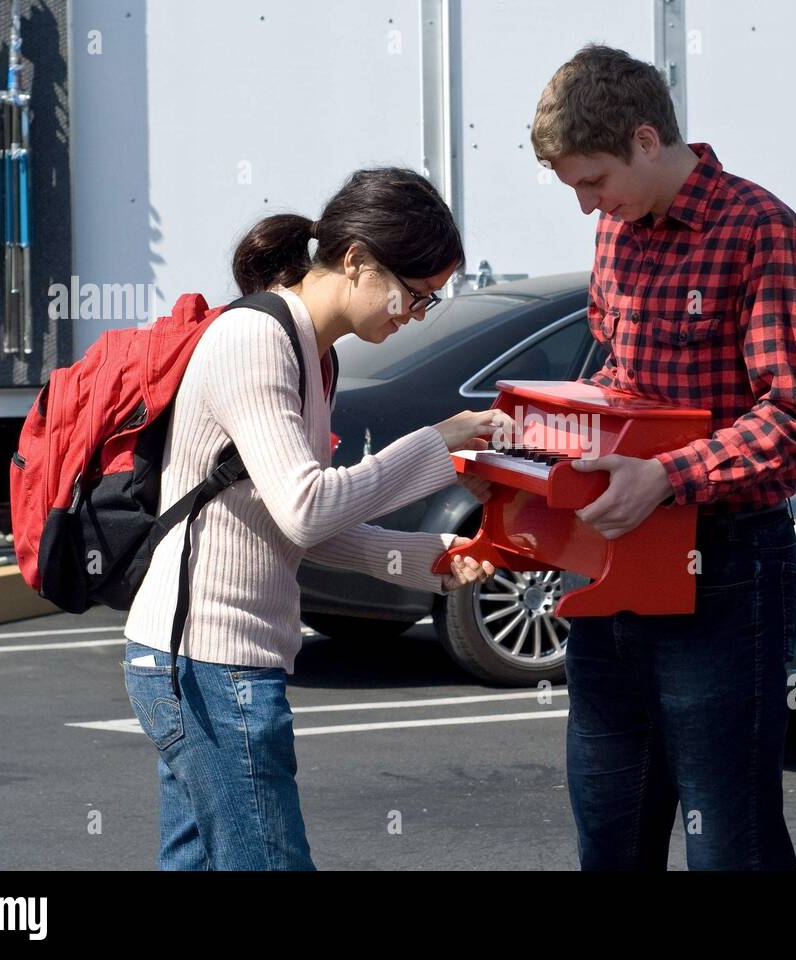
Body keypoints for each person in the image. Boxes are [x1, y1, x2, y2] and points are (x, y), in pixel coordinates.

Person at [121, 167, 509, 870]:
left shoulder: (313, 354)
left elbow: (304, 526)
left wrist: (429, 555)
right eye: (414, 295)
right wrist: (438, 444)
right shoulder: (257, 340)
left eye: (429, 301)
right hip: (209, 665)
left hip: (207, 664)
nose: (415, 314)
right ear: (356, 257)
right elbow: (305, 510)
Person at [531, 46, 796, 870]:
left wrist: (665, 476)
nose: (589, 206)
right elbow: (615, 376)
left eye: (594, 181)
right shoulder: (616, 237)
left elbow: (794, 416)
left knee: (730, 841)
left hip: (730, 571)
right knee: (610, 833)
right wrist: (543, 439)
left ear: (647, 139)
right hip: (613, 562)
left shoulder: (760, 229)